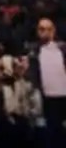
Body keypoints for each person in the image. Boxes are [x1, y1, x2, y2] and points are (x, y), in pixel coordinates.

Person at [30, 17, 66, 148]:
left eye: (49, 29)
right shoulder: (34, 52)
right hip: (47, 99)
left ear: (54, 31)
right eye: (42, 29)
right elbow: (33, 75)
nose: (45, 32)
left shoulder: (62, 49)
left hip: (64, 96)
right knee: (51, 135)